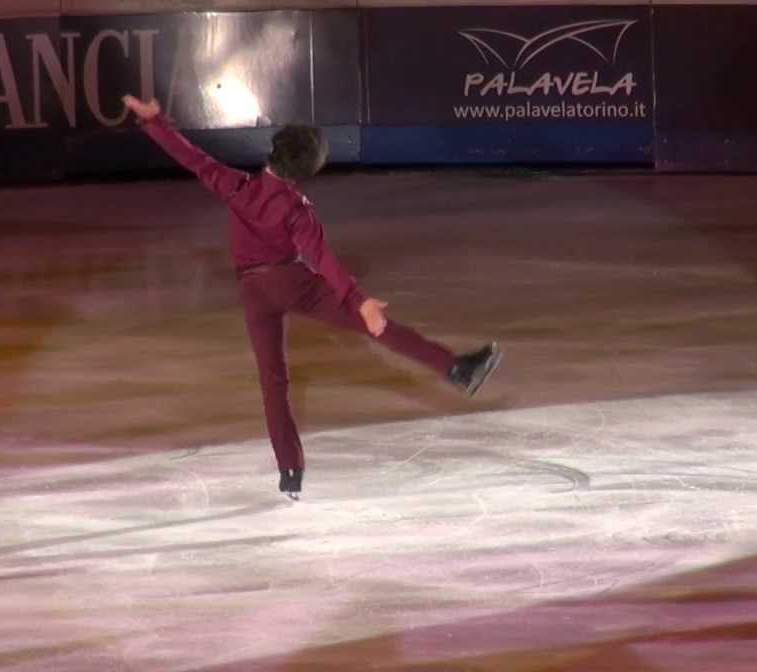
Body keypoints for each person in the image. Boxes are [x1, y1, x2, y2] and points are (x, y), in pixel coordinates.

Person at [122, 95, 502, 500]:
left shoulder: (236, 184)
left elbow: (191, 157)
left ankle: (289, 471)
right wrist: (358, 300)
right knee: (375, 325)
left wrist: (156, 122)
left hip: (252, 292)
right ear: (306, 170)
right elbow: (321, 258)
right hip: (292, 283)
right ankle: (456, 369)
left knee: (273, 381)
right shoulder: (296, 209)